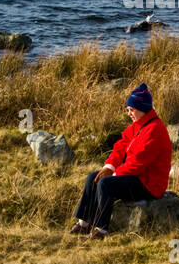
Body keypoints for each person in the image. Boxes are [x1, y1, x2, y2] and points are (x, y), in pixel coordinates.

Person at [70, 83, 172, 239]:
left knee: (105, 184)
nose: (129, 113)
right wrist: (109, 167)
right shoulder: (138, 125)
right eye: (128, 110)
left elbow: (139, 162)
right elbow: (120, 147)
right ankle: (84, 223)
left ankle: (101, 230)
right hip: (137, 176)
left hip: (150, 184)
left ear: (143, 108)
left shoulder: (155, 129)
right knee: (93, 177)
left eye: (132, 109)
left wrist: (114, 174)